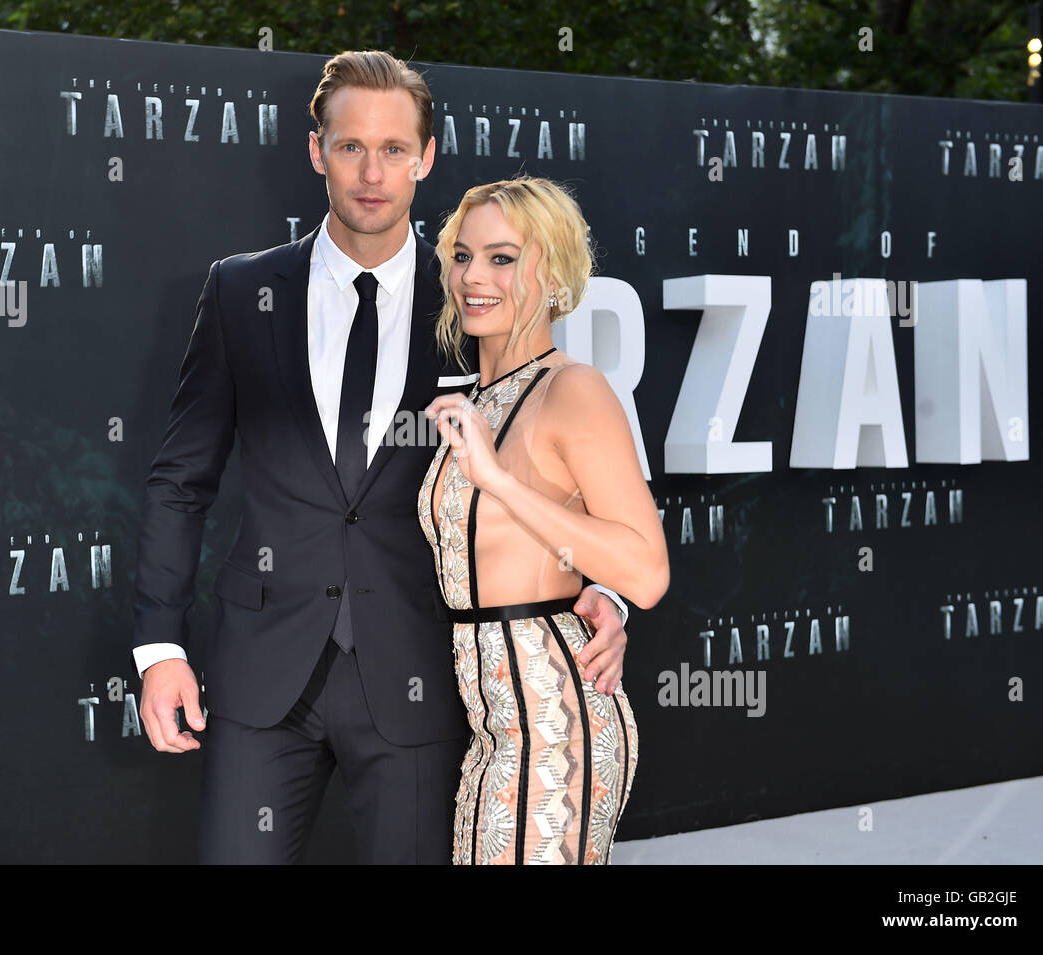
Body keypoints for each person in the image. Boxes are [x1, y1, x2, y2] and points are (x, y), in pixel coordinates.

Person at [130, 50, 632, 864]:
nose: (373, 171)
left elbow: (558, 450)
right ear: (315, 150)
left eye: (395, 148)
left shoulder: (476, 302)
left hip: (422, 671)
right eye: (351, 145)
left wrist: (603, 588)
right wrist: (160, 649)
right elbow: (179, 483)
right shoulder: (238, 292)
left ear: (427, 158)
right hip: (262, 676)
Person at [421, 176, 670, 864]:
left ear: (553, 272)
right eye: (463, 256)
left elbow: (646, 571)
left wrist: (498, 482)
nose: (473, 276)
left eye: (502, 258)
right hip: (495, 728)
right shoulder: (476, 395)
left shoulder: (575, 389)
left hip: (559, 727)